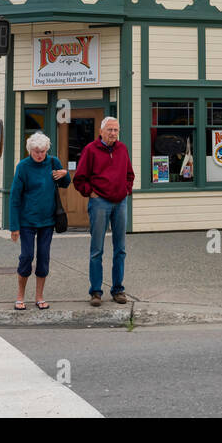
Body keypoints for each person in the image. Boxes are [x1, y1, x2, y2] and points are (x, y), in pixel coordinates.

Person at [72, 116, 135, 307]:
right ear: (101, 132)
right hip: (99, 203)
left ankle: (118, 290)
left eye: (116, 130)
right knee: (97, 250)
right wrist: (90, 193)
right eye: (110, 130)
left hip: (120, 202)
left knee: (120, 249)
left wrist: (126, 190)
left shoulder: (122, 149)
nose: (113, 133)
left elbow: (129, 174)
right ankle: (96, 292)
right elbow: (79, 179)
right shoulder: (90, 150)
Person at [8, 131, 70, 310]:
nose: (40, 154)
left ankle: (39, 296)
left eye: (43, 151)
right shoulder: (23, 167)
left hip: (48, 221)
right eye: (36, 151)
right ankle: (20, 296)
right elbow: (14, 198)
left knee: (43, 258)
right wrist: (14, 227)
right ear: (29, 150)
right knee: (26, 257)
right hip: (27, 220)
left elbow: (65, 183)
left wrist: (65, 173)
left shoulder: (52, 162)